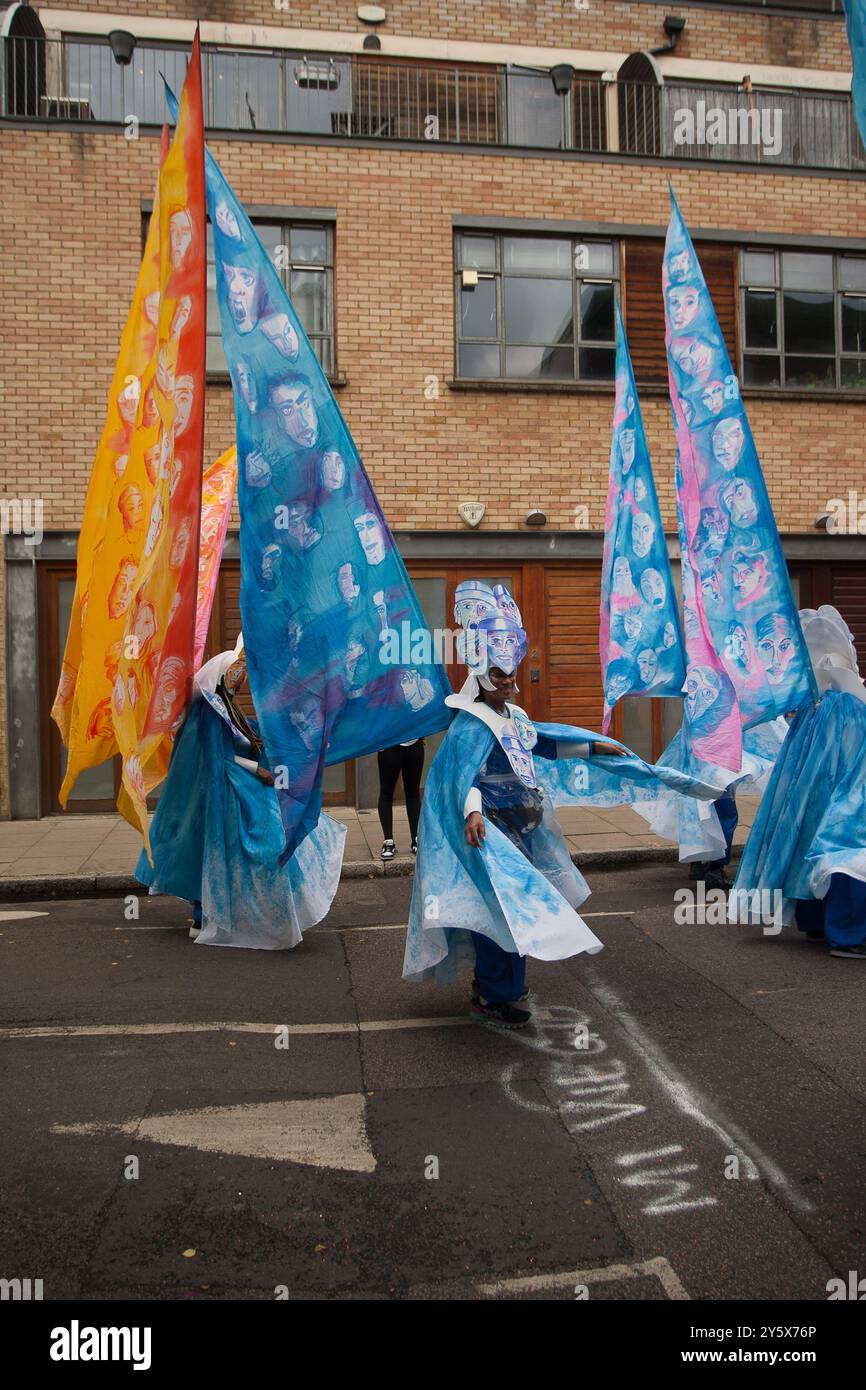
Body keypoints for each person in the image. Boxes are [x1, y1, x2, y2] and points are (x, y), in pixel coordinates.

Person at [403, 582, 719, 1030]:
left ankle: (498, 988)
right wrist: (473, 811)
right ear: (479, 672)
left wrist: (595, 750)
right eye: (500, 674)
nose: (510, 682)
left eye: (512, 674)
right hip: (489, 837)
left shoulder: (516, 717)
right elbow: (462, 777)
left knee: (521, 909)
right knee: (505, 912)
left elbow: (547, 746)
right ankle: (497, 993)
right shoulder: (469, 723)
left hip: (521, 833)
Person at [136, 635, 346, 949]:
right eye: (238, 674)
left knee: (224, 848)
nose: (242, 681)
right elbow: (218, 753)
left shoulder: (220, 703)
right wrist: (256, 768)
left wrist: (256, 739)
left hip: (225, 785)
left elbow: (235, 731)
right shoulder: (208, 710)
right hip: (224, 787)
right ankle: (223, 912)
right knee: (257, 842)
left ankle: (219, 911)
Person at [736, 606, 866, 959]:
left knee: (806, 838)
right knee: (847, 846)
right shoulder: (848, 707)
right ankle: (847, 932)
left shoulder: (813, 706)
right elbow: (855, 764)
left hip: (808, 793)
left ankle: (816, 920)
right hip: (844, 791)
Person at [377, 738, 425, 860]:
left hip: (414, 742)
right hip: (389, 742)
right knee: (386, 793)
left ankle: (416, 839)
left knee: (413, 793)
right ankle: (388, 841)